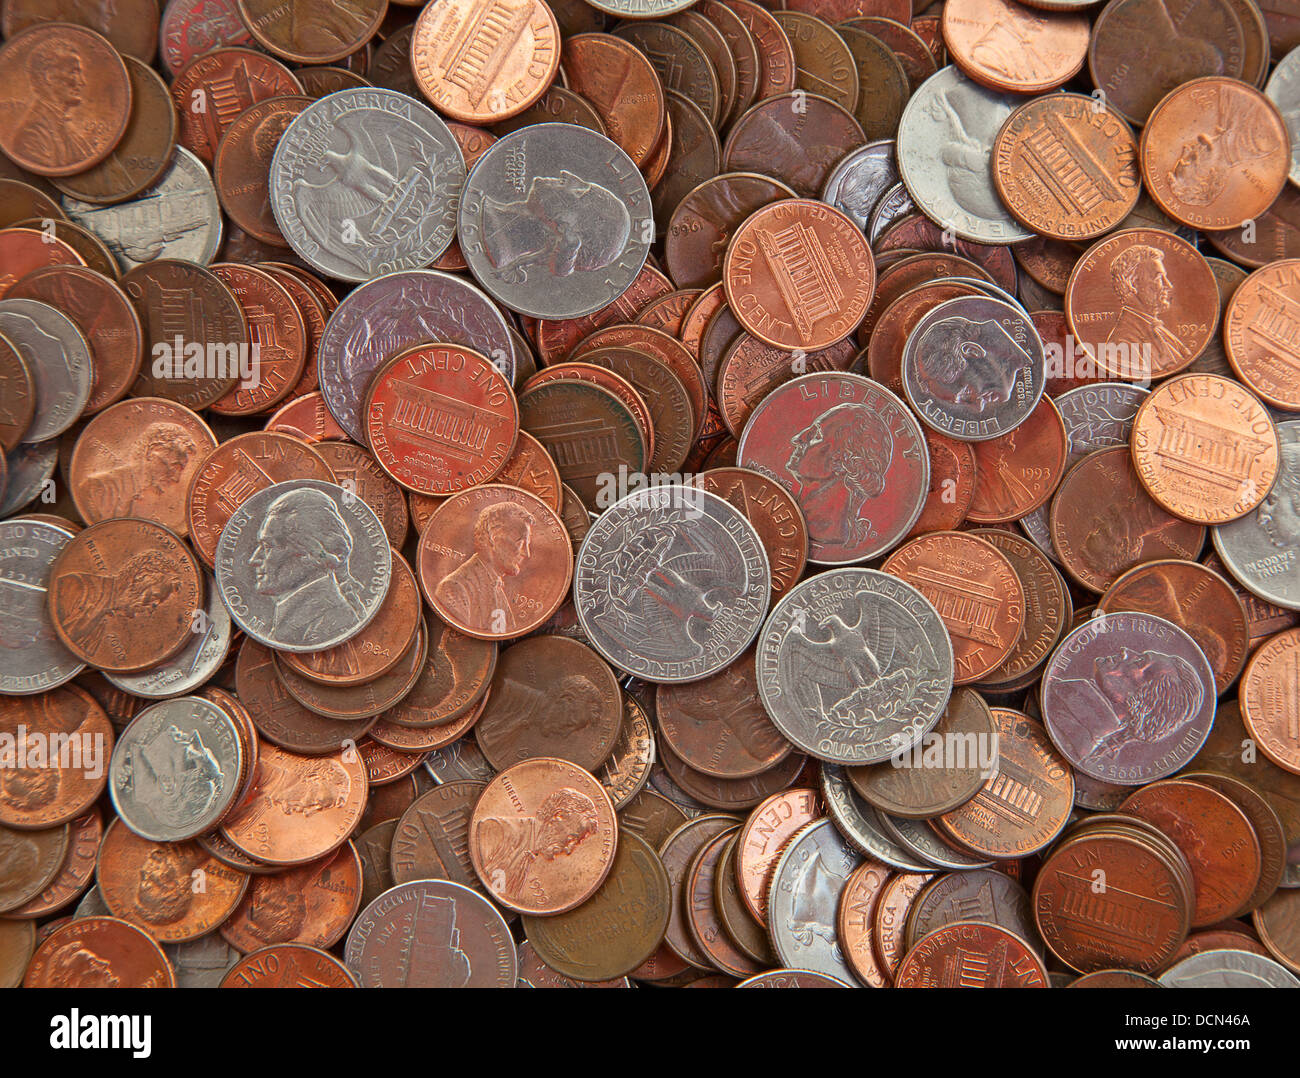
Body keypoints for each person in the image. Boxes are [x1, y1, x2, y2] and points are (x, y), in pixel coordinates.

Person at [250, 488, 368, 646]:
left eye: (268, 546)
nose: (254, 559)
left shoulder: (330, 624)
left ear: (310, 555)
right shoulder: (304, 618)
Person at [434, 500, 532, 631]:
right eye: (520, 542)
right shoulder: (454, 588)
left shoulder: (496, 585)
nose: (527, 553)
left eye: (528, 543)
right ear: (491, 540)